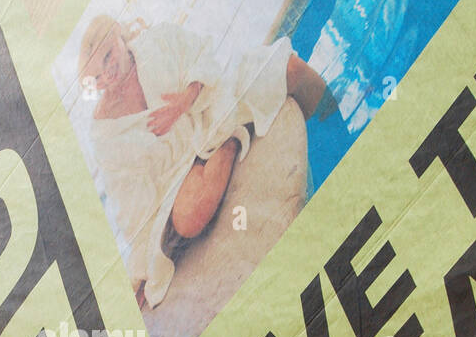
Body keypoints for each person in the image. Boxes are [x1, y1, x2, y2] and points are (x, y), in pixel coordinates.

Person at [79, 15, 330, 308]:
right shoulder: (104, 134)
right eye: (96, 77)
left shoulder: (155, 41)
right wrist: (140, 273)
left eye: (108, 56)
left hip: (207, 110)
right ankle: (230, 142)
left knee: (291, 68)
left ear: (117, 35)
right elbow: (130, 199)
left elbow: (200, 55)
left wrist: (187, 98)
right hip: (177, 177)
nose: (107, 75)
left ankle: (333, 119)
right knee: (189, 218)